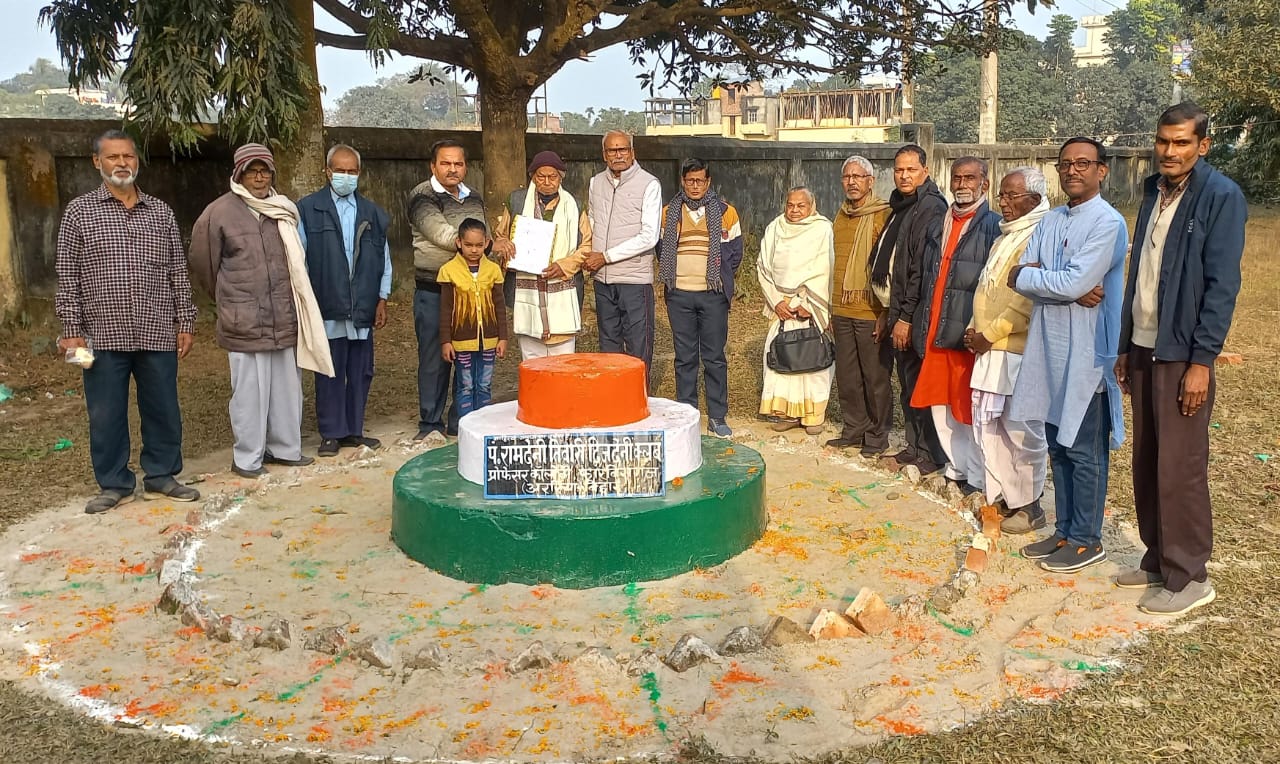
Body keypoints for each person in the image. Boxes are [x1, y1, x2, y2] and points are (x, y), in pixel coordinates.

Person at [1114, 102, 1246, 615]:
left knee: (1180, 464)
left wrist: (1201, 361)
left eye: (1181, 143)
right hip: (1145, 346)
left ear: (1203, 145)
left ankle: (1190, 574)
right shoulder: (1153, 192)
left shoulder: (1220, 197)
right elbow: (1140, 276)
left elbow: (1221, 287)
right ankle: (1157, 558)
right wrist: (1126, 345)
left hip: (1182, 352)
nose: (1169, 152)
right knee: (1147, 458)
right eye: (1163, 142)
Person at [55, 129, 200, 513]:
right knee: (105, 413)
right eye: (114, 157)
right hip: (100, 335)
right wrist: (71, 333)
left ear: (138, 161)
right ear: (96, 162)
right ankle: (114, 483)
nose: (122, 164)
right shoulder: (79, 212)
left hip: (156, 330)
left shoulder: (161, 212)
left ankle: (162, 475)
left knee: (164, 407)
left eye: (129, 157)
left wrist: (185, 322)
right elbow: (67, 275)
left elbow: (176, 272)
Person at [1008, 137, 1128, 574]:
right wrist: (1059, 283)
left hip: (1087, 354)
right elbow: (1018, 274)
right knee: (1059, 447)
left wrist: (1053, 281)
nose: (1073, 171)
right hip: (1047, 349)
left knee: (1083, 450)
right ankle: (1064, 530)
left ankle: (1086, 538)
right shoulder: (1052, 219)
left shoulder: (1108, 223)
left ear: (1101, 171)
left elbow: (1067, 283)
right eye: (1065, 164)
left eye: (1083, 163)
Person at [190, 143, 330, 479]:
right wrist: (231, 298)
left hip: (283, 315)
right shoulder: (218, 213)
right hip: (244, 322)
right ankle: (247, 458)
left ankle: (284, 450)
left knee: (286, 389)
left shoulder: (281, 210)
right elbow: (204, 265)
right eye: (252, 171)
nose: (259, 177)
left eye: (264, 170)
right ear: (238, 173)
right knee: (249, 394)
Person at [964, 167, 1051, 534]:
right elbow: (987, 288)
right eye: (1002, 195)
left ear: (1034, 199)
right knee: (991, 426)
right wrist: (973, 327)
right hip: (989, 346)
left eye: (1011, 196)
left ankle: (1030, 506)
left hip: (1014, 348)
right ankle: (1003, 495)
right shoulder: (1006, 234)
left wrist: (991, 333)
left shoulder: (1039, 233)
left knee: (1020, 430)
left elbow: (1024, 301)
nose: (1003, 202)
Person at [910, 158, 1002, 493]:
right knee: (940, 403)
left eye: (970, 178)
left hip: (966, 332)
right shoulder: (940, 223)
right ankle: (956, 467)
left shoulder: (993, 225)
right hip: (935, 327)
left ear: (985, 185)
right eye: (957, 177)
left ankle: (978, 477)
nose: (962, 184)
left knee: (967, 408)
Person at [297, 144, 391, 457]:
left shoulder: (372, 213)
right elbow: (301, 260)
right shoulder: (309, 209)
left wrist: (382, 297)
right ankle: (331, 433)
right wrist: (307, 302)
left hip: (362, 302)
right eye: (340, 170)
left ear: (359, 174)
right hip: (327, 303)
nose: (346, 177)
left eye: (352, 171)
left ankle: (353, 430)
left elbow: (384, 259)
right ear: (327, 171)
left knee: (361, 369)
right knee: (329, 369)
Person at [867, 144, 949, 474]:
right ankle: (914, 446)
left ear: (925, 172)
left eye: (911, 170)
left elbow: (920, 269)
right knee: (907, 382)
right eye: (899, 170)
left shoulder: (930, 207)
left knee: (920, 385)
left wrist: (905, 317)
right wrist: (889, 310)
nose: (904, 175)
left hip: (915, 316)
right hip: (898, 308)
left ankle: (930, 453)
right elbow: (894, 263)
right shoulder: (902, 206)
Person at [657, 158, 744, 438]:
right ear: (683, 181)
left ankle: (717, 416)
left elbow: (735, 253)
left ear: (708, 182)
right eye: (690, 180)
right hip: (679, 295)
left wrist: (717, 277)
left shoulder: (726, 212)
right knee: (684, 358)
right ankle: (688, 416)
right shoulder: (669, 213)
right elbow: (661, 250)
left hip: (713, 296)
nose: (695, 186)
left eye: (700, 181)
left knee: (714, 357)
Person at [408, 139, 488, 440]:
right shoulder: (422, 197)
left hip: (471, 291)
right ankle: (430, 423)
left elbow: (486, 233)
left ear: (465, 166)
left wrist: (494, 243)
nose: (453, 169)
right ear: (433, 166)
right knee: (434, 358)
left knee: (467, 354)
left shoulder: (473, 197)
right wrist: (481, 244)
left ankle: (460, 421)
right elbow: (441, 235)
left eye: (458, 164)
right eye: (446, 163)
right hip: (434, 290)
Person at [492, 150, 590, 358]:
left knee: (562, 362)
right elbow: (501, 235)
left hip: (562, 288)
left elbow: (586, 246)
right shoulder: (517, 201)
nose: (547, 182)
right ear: (533, 177)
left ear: (560, 177)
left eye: (552, 177)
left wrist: (563, 265)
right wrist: (504, 245)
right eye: (541, 176)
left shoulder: (574, 205)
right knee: (532, 361)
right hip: (527, 287)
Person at [581, 130, 662, 377]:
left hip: (634, 280)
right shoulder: (596, 183)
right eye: (612, 150)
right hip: (603, 279)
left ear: (632, 152)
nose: (618, 155)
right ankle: (613, 403)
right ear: (604, 155)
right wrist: (590, 257)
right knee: (609, 347)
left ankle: (638, 402)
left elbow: (650, 236)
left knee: (638, 348)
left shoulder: (649, 184)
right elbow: (593, 222)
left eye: (623, 149)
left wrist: (605, 256)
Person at [826, 156, 893, 456]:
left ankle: (877, 436)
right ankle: (854, 428)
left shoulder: (883, 214)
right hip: (841, 309)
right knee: (848, 375)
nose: (852, 182)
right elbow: (830, 263)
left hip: (871, 311)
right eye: (846, 176)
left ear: (870, 181)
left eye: (858, 176)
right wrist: (829, 307)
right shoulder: (839, 217)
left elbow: (890, 266)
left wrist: (886, 313)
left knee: (875, 376)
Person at [758, 187, 835, 435]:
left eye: (800, 206)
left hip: (808, 306)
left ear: (811, 206)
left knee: (813, 361)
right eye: (790, 205)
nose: (794, 210)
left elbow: (827, 267)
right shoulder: (775, 228)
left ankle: (813, 417)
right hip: (781, 307)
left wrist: (810, 304)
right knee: (781, 357)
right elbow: (763, 266)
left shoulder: (823, 229)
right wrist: (776, 301)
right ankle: (787, 414)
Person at [438, 219, 509, 416]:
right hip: (461, 343)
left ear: (487, 243)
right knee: (466, 386)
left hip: (489, 342)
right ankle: (466, 430)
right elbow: (445, 310)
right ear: (459, 243)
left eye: (479, 245)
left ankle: (482, 429)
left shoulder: (493, 270)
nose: (474, 250)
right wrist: (446, 341)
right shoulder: (448, 271)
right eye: (468, 245)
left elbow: (500, 307)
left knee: (484, 385)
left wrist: (503, 337)